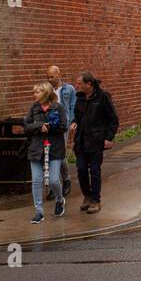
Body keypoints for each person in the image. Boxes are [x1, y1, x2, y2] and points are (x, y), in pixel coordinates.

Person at [69, 72, 118, 214]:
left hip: (96, 141)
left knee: (95, 171)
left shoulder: (102, 97)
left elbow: (113, 119)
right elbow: (77, 117)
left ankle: (96, 201)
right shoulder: (79, 99)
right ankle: (87, 197)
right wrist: (74, 123)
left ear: (88, 84)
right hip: (81, 141)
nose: (76, 86)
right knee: (81, 170)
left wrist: (109, 137)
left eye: (79, 84)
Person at [24, 81, 67, 224]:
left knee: (54, 180)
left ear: (46, 93)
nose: (34, 94)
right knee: (36, 181)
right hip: (36, 148)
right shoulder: (33, 108)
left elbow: (63, 126)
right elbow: (26, 126)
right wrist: (39, 126)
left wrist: (50, 127)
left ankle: (60, 199)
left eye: (37, 92)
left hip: (54, 148)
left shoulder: (58, 108)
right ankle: (39, 212)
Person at [47, 65, 75, 196]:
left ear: (58, 74)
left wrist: (73, 122)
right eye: (48, 77)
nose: (49, 79)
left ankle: (66, 180)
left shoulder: (69, 89)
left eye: (52, 76)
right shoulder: (46, 90)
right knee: (50, 154)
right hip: (49, 125)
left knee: (60, 154)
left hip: (63, 126)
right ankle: (54, 185)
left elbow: (72, 107)